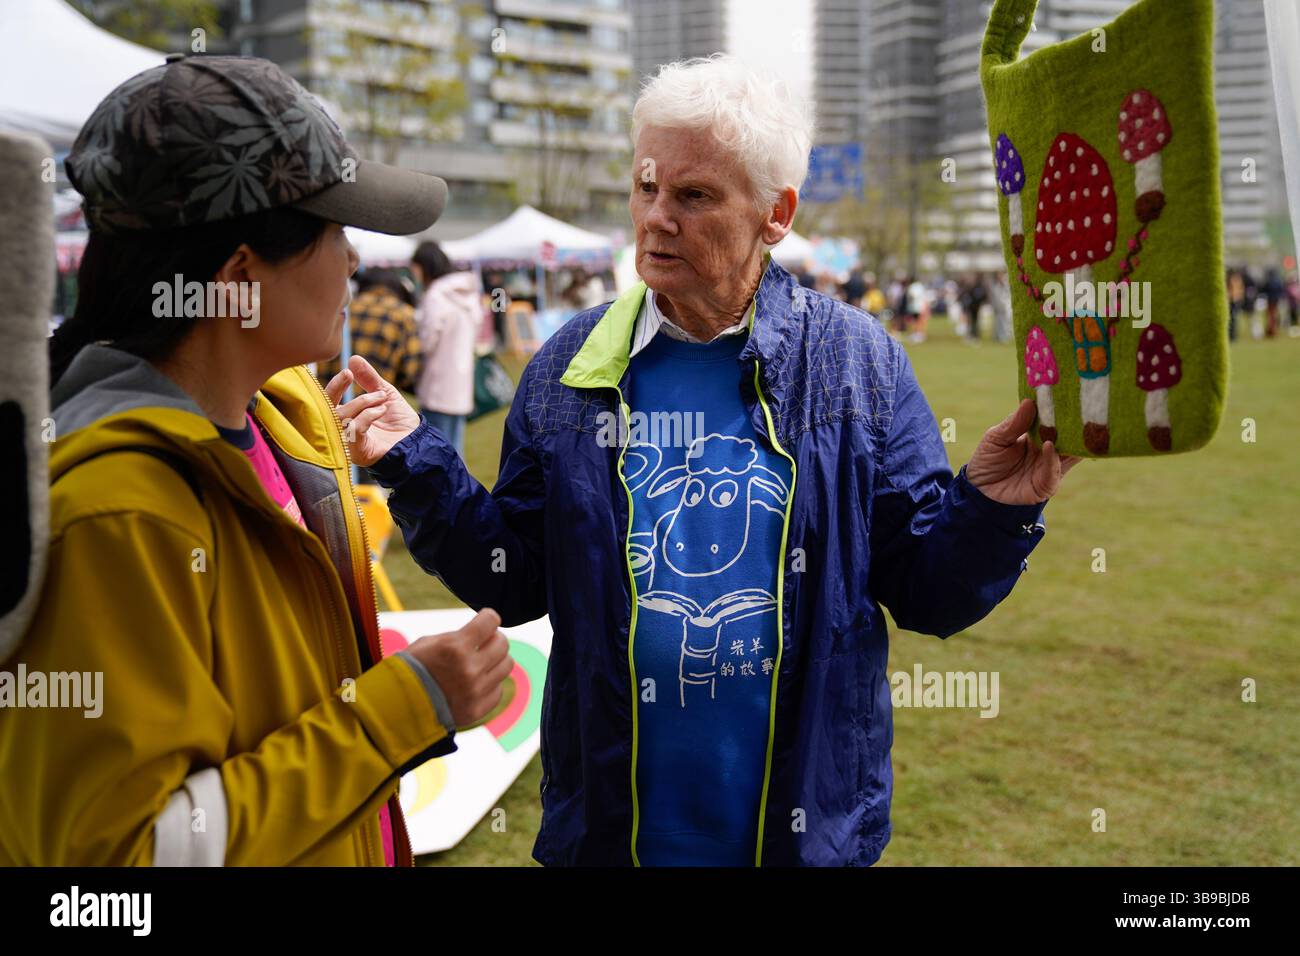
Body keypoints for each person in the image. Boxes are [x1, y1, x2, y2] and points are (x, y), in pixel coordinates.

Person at [337, 54, 1079, 866]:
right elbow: (512, 578)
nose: (656, 218)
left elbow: (926, 590)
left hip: (804, 840)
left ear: (776, 214)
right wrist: (416, 460)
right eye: (646, 186)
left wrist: (994, 508)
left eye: (694, 196)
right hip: (611, 842)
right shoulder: (570, 367)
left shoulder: (856, 361)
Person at [0, 54, 513, 866]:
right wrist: (407, 707)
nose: (353, 261)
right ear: (240, 276)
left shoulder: (274, 411)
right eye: (333, 231)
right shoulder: (119, 512)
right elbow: (111, 871)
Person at [410, 240, 481, 457]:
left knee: (437, 452)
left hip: (437, 383)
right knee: (454, 451)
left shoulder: (435, 296)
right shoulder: (468, 295)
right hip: (461, 382)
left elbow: (426, 341)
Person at [316, 267, 421, 394]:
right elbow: (410, 371)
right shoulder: (404, 315)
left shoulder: (342, 309)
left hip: (329, 400)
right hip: (373, 404)